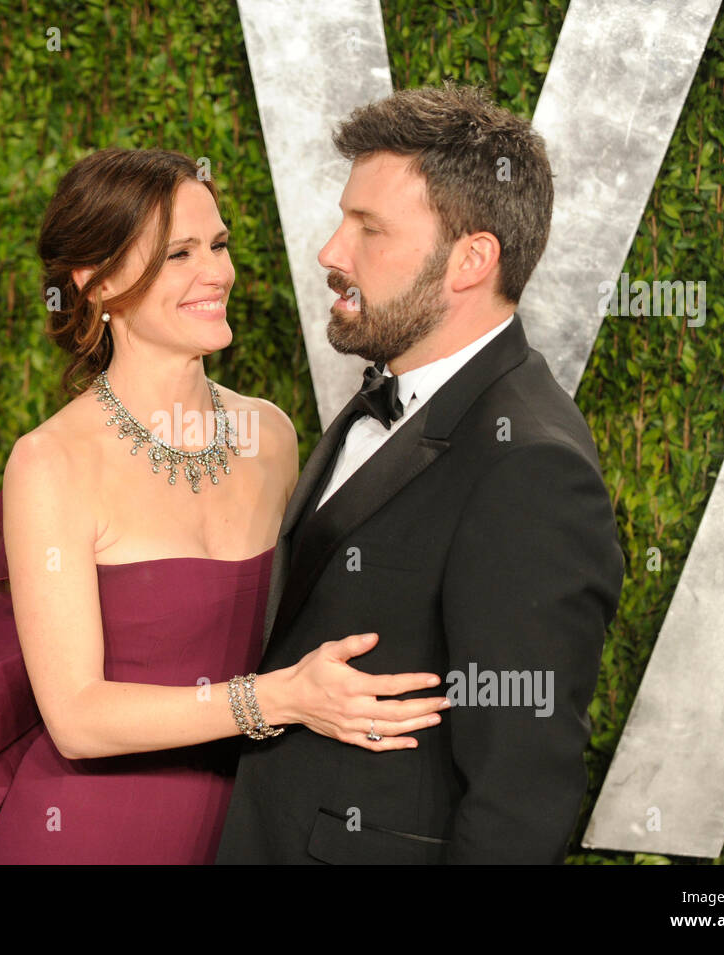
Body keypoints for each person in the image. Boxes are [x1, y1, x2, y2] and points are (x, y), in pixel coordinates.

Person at [0, 147, 451, 865]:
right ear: (97, 283)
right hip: (90, 834)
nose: (216, 273)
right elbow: (77, 717)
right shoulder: (50, 462)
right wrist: (275, 700)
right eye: (178, 254)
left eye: (217, 245)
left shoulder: (271, 435)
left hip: (252, 827)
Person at [215, 82, 626, 864]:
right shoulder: (389, 390)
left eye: (368, 228)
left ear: (471, 259)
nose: (332, 252)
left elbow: (520, 798)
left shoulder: (531, 465)